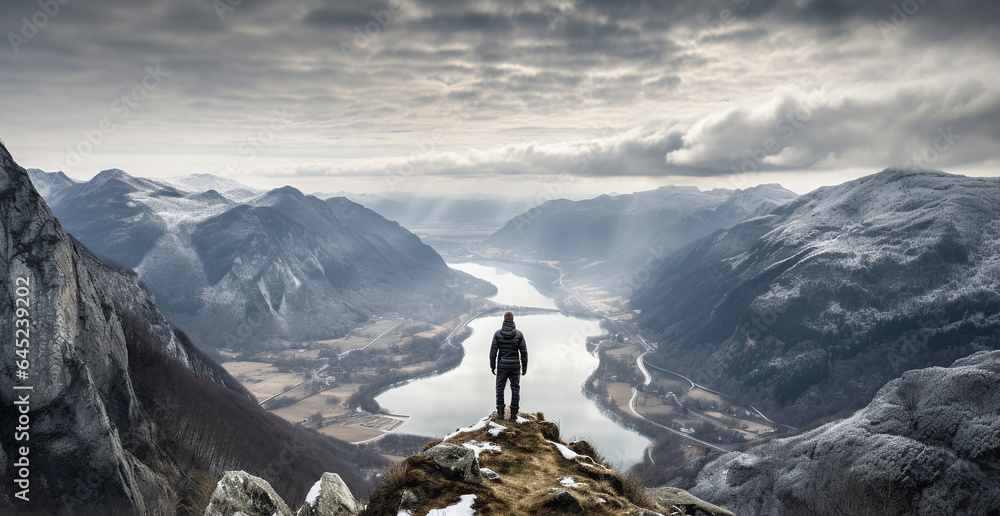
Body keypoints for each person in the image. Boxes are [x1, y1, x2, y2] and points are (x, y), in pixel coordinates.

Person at [490, 311, 527, 421]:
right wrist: (524, 368)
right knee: (515, 389)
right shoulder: (519, 334)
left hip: (502, 365)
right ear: (513, 320)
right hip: (515, 366)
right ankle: (513, 415)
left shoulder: (498, 334)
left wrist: (492, 366)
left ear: (504, 320)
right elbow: (524, 352)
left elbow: (493, 352)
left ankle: (500, 413)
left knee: (499, 388)